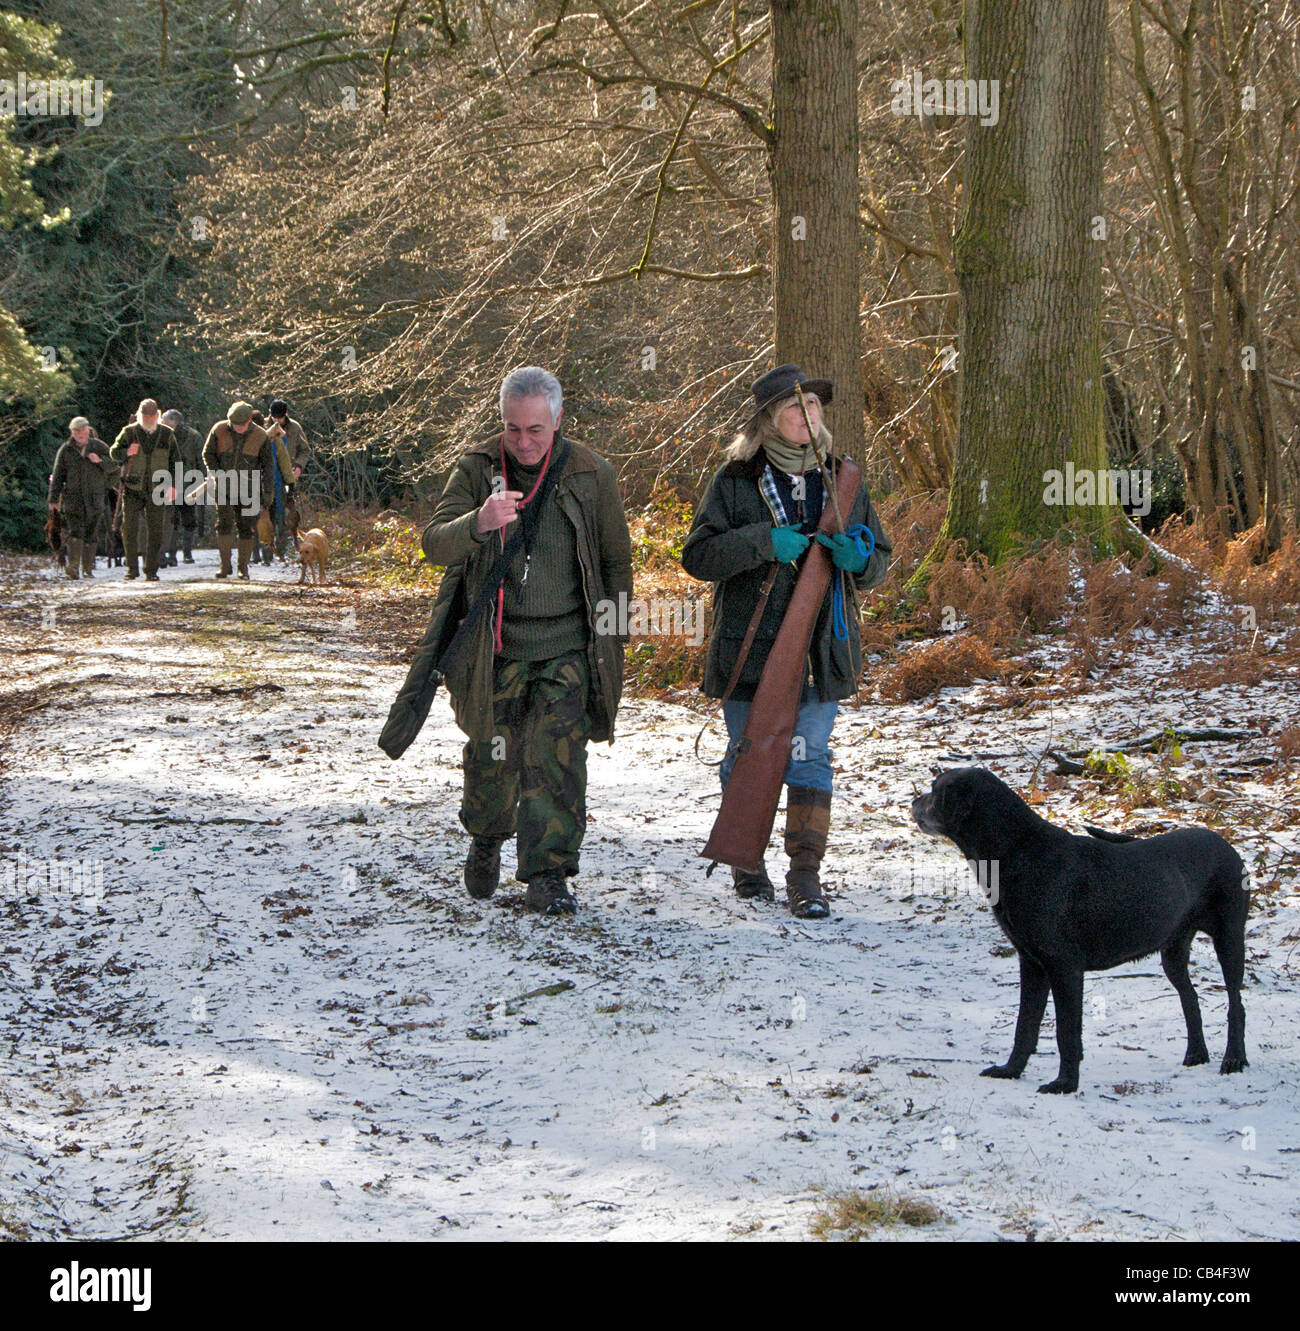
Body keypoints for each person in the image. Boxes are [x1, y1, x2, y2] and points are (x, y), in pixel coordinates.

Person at [680, 364, 891, 920]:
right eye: (798, 408)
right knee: (749, 755)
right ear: (771, 420)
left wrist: (860, 560)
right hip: (748, 650)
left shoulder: (843, 480)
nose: (809, 416)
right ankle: (746, 862)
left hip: (821, 651)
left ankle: (805, 875)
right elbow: (698, 557)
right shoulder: (733, 480)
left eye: (816, 408)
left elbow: (879, 561)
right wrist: (760, 543)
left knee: (809, 758)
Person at [422, 366, 632, 914]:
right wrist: (478, 522)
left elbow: (615, 563)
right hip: (494, 649)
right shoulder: (475, 469)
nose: (523, 441)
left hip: (568, 646)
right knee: (494, 754)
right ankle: (487, 837)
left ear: (558, 420)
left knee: (557, 758)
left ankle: (548, 873)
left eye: (535, 429)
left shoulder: (591, 473)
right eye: (513, 429)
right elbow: (434, 544)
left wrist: (614, 641)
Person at [109, 399, 181, 582]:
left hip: (158, 489)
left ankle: (151, 571)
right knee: (129, 529)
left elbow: (176, 462)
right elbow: (113, 452)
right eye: (145, 416)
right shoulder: (129, 432)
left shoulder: (167, 434)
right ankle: (132, 569)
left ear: (157, 415)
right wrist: (126, 453)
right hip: (132, 487)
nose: (148, 419)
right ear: (140, 415)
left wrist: (174, 486)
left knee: (156, 531)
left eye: (151, 415)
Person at [201, 400, 274, 580]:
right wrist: (217, 472)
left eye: (241, 424)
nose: (238, 428)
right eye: (235, 424)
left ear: (249, 420)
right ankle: (225, 566)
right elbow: (207, 453)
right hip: (224, 487)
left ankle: (243, 568)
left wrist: (268, 492)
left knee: (245, 527)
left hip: (249, 489)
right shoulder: (219, 430)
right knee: (223, 525)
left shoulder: (261, 436)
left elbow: (268, 466)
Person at [47, 416, 117, 580]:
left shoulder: (99, 446)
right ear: (72, 432)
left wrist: (100, 462)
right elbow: (57, 476)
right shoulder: (65, 450)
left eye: (83, 430)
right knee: (75, 531)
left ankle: (87, 569)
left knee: (92, 533)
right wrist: (53, 499)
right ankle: (73, 568)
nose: (80, 433)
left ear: (88, 430)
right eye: (76, 431)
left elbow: (116, 466)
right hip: (73, 499)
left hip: (95, 498)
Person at [263, 398, 307, 563]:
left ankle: (281, 551)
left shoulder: (295, 428)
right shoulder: (262, 428)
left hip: (287, 477)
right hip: (267, 477)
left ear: (286, 414)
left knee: (285, 515)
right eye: (274, 417)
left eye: (280, 418)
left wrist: (299, 466)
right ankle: (266, 551)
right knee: (267, 514)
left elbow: (305, 451)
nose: (277, 421)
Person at [161, 409, 206, 564]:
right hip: (168, 483)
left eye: (166, 423)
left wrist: (205, 480)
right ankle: (171, 554)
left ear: (176, 422)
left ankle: (187, 552)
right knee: (171, 519)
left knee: (189, 519)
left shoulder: (194, 437)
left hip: (190, 485)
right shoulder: (162, 436)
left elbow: (201, 460)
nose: (163, 425)